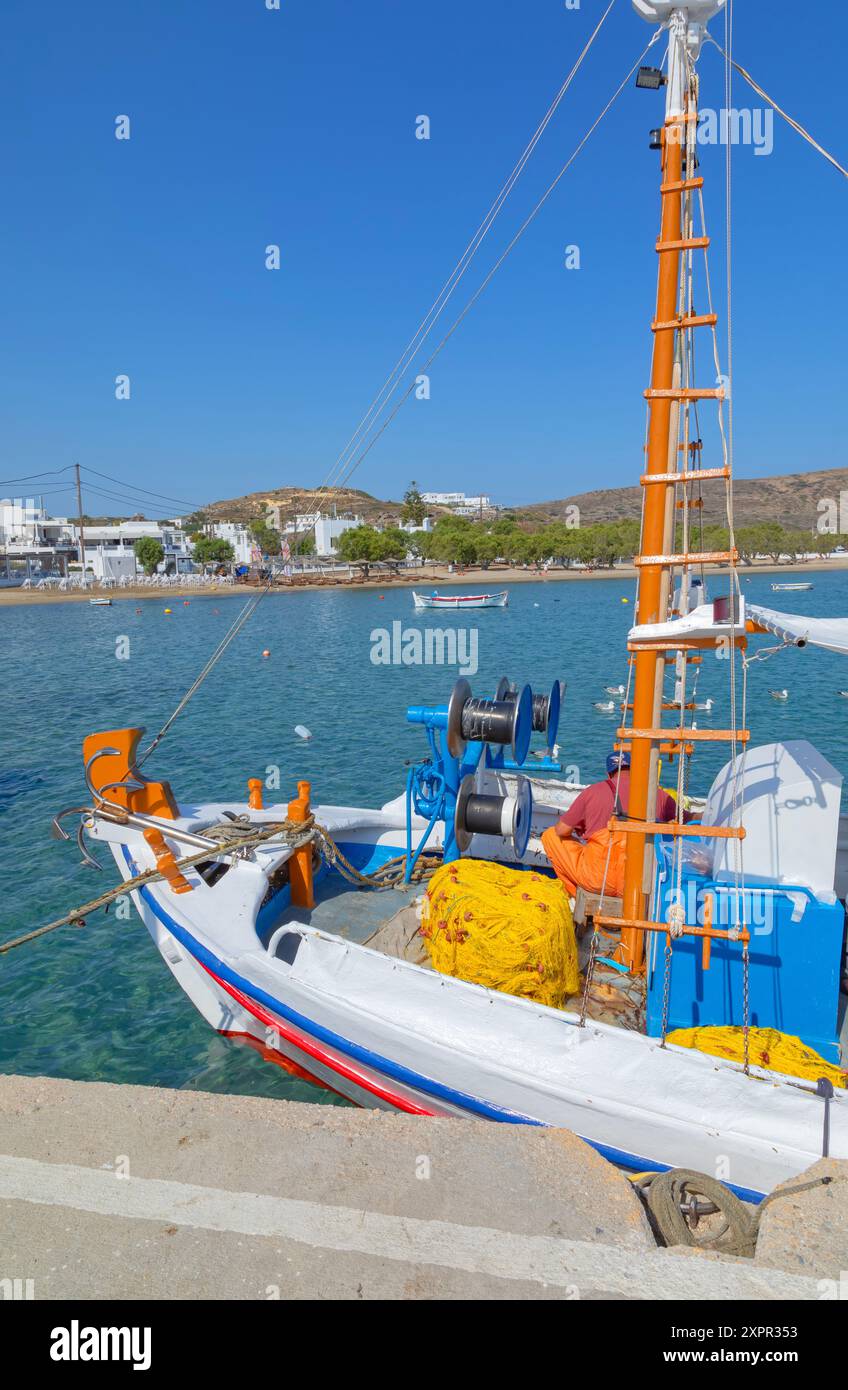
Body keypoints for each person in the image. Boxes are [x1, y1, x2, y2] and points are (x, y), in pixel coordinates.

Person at [541, 750, 689, 901]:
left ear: (608, 773)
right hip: (640, 882)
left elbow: (561, 830)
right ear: (634, 769)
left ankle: (575, 895)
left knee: (550, 835)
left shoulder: (593, 792)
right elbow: (688, 819)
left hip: (597, 880)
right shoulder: (659, 795)